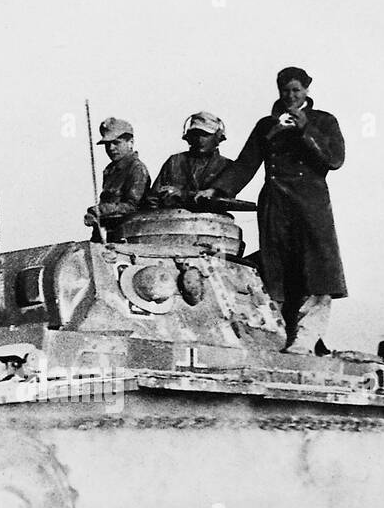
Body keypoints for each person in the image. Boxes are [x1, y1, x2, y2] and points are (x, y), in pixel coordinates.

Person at [202, 66, 346, 354]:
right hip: (276, 203)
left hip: (311, 205)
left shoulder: (324, 121)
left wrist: (306, 129)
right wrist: (217, 190)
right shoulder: (266, 125)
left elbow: (334, 160)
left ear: (307, 90)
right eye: (285, 90)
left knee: (316, 270)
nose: (291, 96)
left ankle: (306, 338)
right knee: (275, 270)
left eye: (296, 90)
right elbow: (246, 163)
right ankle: (275, 334)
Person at [145, 111, 231, 209]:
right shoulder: (174, 161)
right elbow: (153, 199)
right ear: (188, 137)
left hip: (212, 218)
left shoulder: (227, 167)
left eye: (205, 135)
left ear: (217, 137)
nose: (199, 139)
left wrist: (183, 195)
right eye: (195, 134)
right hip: (173, 216)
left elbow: (224, 200)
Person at [84, 117, 150, 240]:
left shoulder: (136, 168)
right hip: (109, 237)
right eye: (107, 144)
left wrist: (100, 211)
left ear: (130, 143)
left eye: (116, 143)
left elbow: (133, 207)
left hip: (129, 237)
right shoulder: (111, 170)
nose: (111, 148)